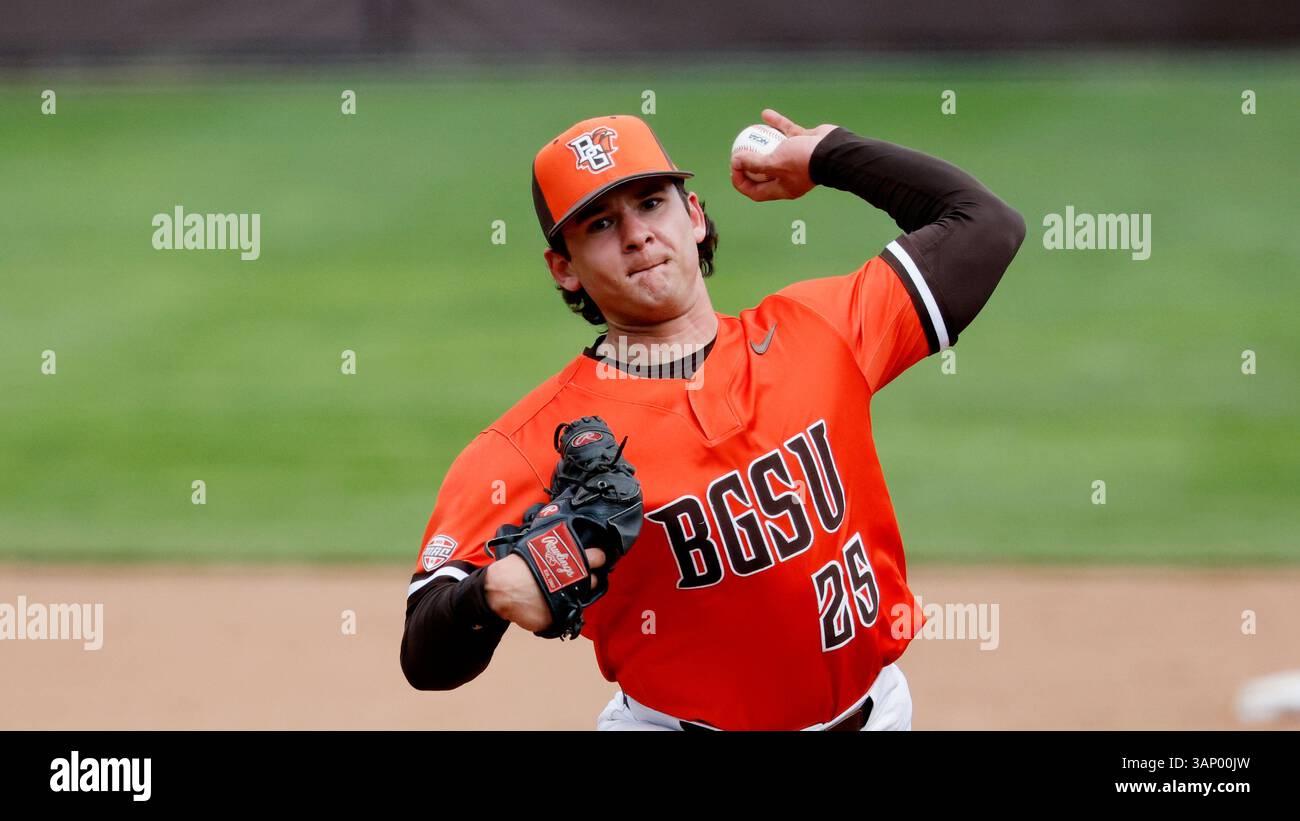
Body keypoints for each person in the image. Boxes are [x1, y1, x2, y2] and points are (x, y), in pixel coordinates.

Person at [399, 109, 1025, 730]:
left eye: (651, 203)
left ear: (694, 216)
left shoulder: (820, 331)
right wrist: (484, 597)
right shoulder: (535, 440)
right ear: (563, 268)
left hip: (878, 714)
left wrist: (829, 155)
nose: (637, 236)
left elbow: (987, 225)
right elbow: (425, 656)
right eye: (600, 223)